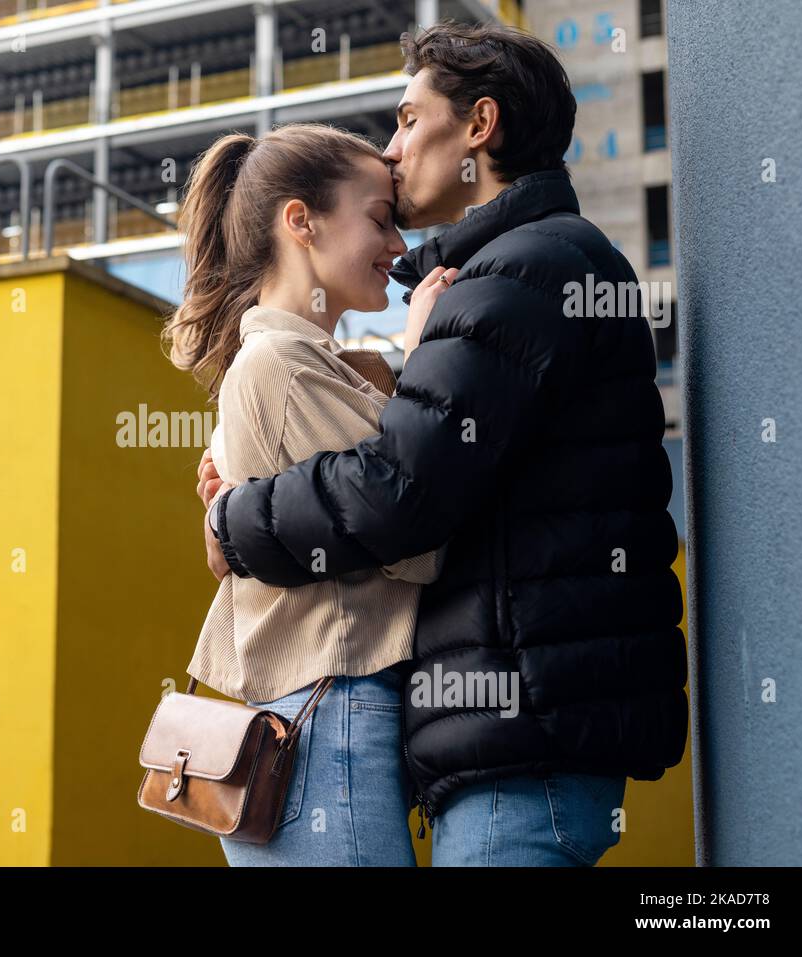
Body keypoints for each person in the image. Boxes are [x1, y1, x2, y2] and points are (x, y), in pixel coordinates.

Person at [199, 22, 688, 866]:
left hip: (522, 734)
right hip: (518, 725)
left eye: (406, 118)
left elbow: (398, 492)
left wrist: (232, 520)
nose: (390, 151)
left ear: (478, 126)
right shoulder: (527, 266)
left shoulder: (520, 273)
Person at [164, 121, 453, 865]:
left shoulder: (295, 362)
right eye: (379, 218)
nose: (397, 246)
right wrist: (425, 354)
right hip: (332, 716)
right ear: (301, 221)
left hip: (307, 718)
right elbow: (415, 526)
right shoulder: (284, 366)